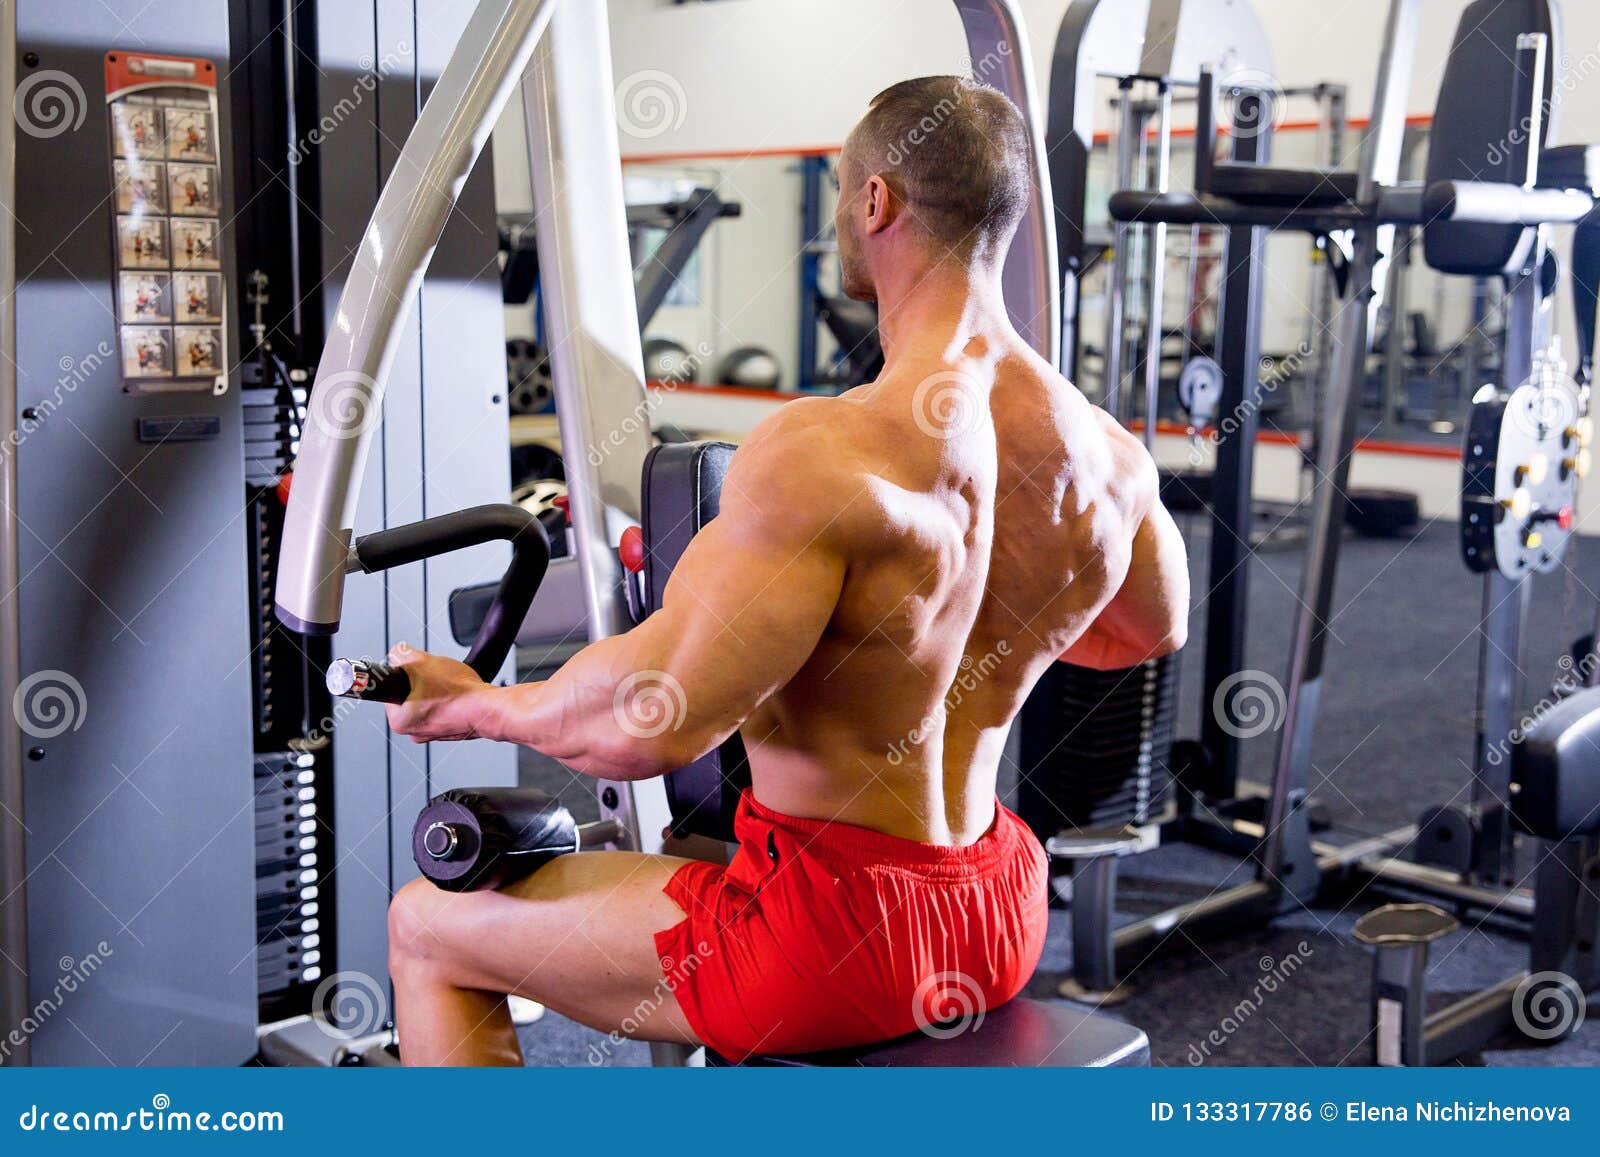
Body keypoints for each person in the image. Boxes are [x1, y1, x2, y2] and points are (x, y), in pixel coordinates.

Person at [382, 75, 1189, 1066]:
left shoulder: (826, 450)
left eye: (844, 190)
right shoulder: (1105, 452)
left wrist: (475, 705)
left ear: (876, 201)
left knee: (425, 925)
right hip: (997, 912)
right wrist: (976, 629)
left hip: (828, 938)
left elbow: (649, 720)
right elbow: (1147, 629)